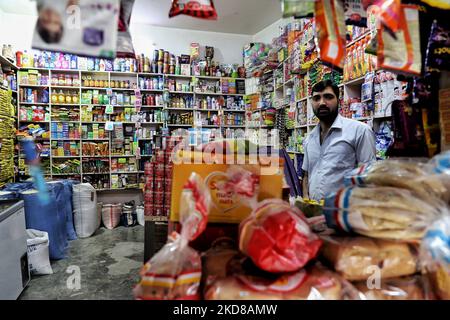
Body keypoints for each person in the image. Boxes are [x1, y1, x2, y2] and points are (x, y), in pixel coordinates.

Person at [302, 80, 376, 201]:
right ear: (311, 103)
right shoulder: (309, 138)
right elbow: (306, 175)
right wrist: (306, 200)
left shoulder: (360, 131)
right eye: (316, 98)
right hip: (314, 213)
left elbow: (368, 178)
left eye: (328, 97)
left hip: (345, 214)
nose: (322, 103)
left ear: (339, 100)